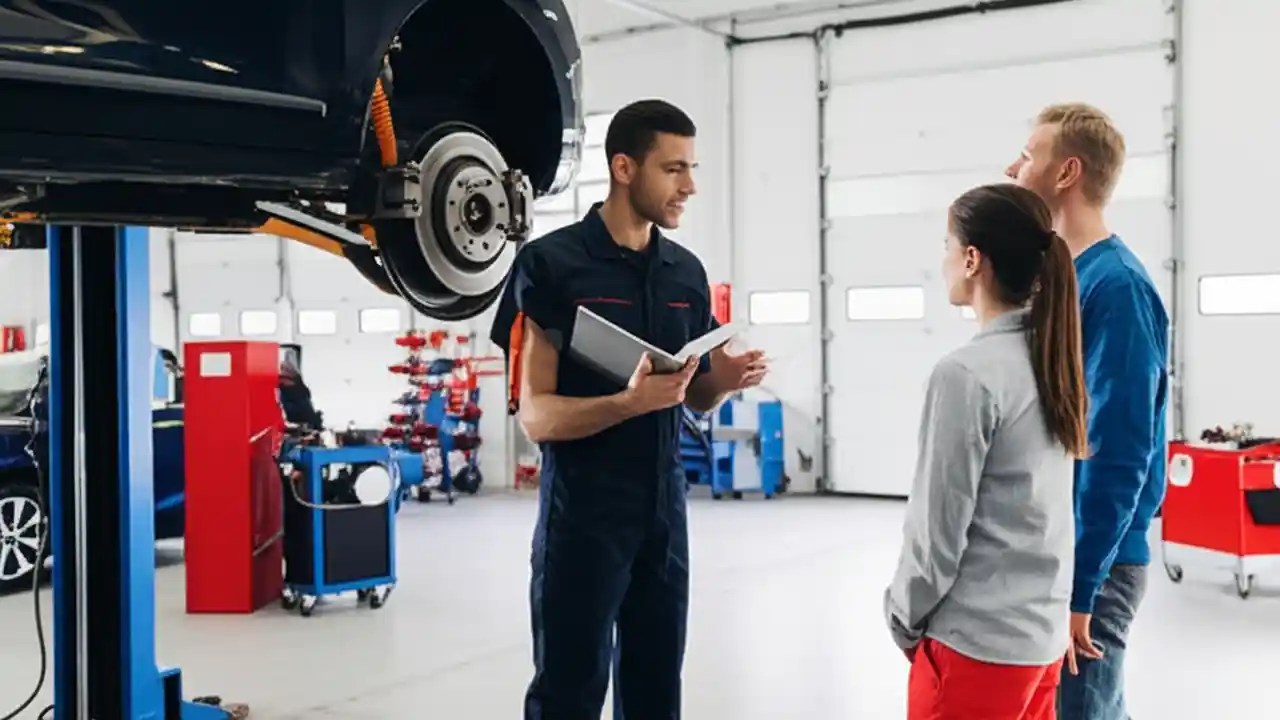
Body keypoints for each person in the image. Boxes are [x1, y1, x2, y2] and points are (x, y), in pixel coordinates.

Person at [489, 98, 768, 720]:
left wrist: (722, 381)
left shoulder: (684, 274)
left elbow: (692, 394)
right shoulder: (551, 266)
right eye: (673, 169)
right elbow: (536, 416)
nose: (690, 187)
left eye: (691, 168)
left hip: (664, 513)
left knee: (656, 692)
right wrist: (625, 403)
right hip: (583, 515)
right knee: (569, 691)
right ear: (623, 167)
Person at [884, 182, 1088, 720]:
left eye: (947, 244)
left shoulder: (966, 374)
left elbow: (937, 531)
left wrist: (902, 616)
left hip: (974, 651)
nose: (944, 258)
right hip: (1039, 647)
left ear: (973, 259)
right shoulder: (1051, 361)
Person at [1006, 102, 1169, 719]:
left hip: (1095, 560)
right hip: (1065, 547)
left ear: (1067, 172)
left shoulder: (1117, 286)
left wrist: (1083, 586)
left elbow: (1120, 451)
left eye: (1027, 154)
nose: (1013, 166)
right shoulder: (1066, 277)